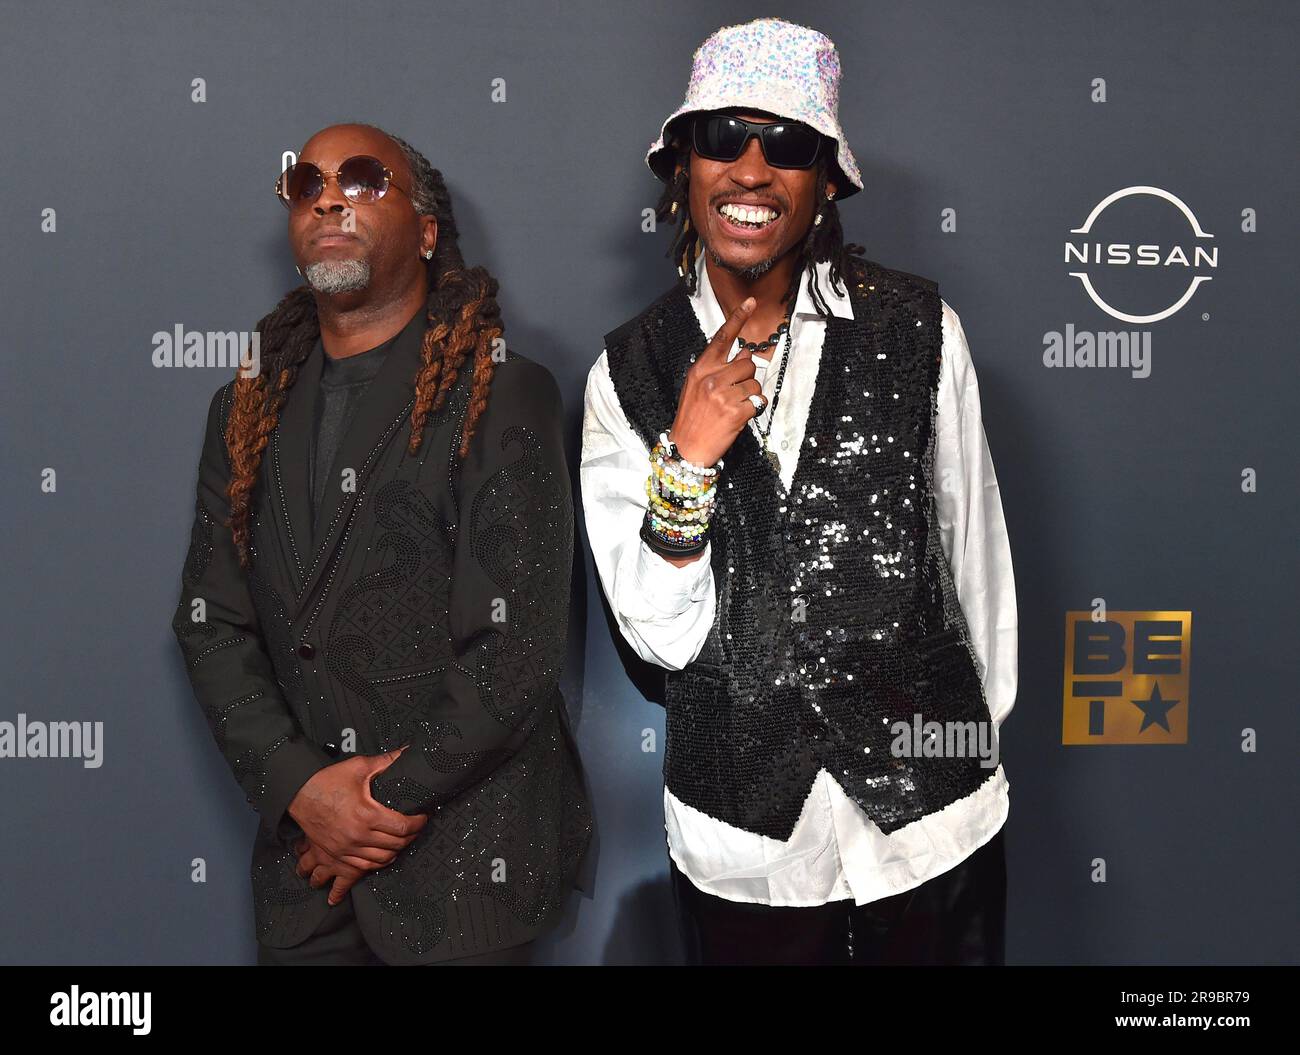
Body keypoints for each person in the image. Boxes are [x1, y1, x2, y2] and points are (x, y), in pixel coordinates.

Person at [580, 18, 1017, 965]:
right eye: (721, 136)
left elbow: (975, 563)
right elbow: (659, 639)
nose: (750, 167)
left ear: (825, 181)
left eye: (787, 143)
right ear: (681, 168)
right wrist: (687, 465)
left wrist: (954, 757)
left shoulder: (919, 326)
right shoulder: (626, 373)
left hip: (936, 833)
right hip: (745, 850)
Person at [171, 122, 592, 965]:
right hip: (307, 882)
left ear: (428, 232)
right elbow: (209, 622)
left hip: (467, 873)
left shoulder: (502, 390)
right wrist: (304, 793)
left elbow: (516, 648)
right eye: (307, 185)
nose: (328, 197)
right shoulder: (244, 409)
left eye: (364, 180)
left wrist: (370, 809)